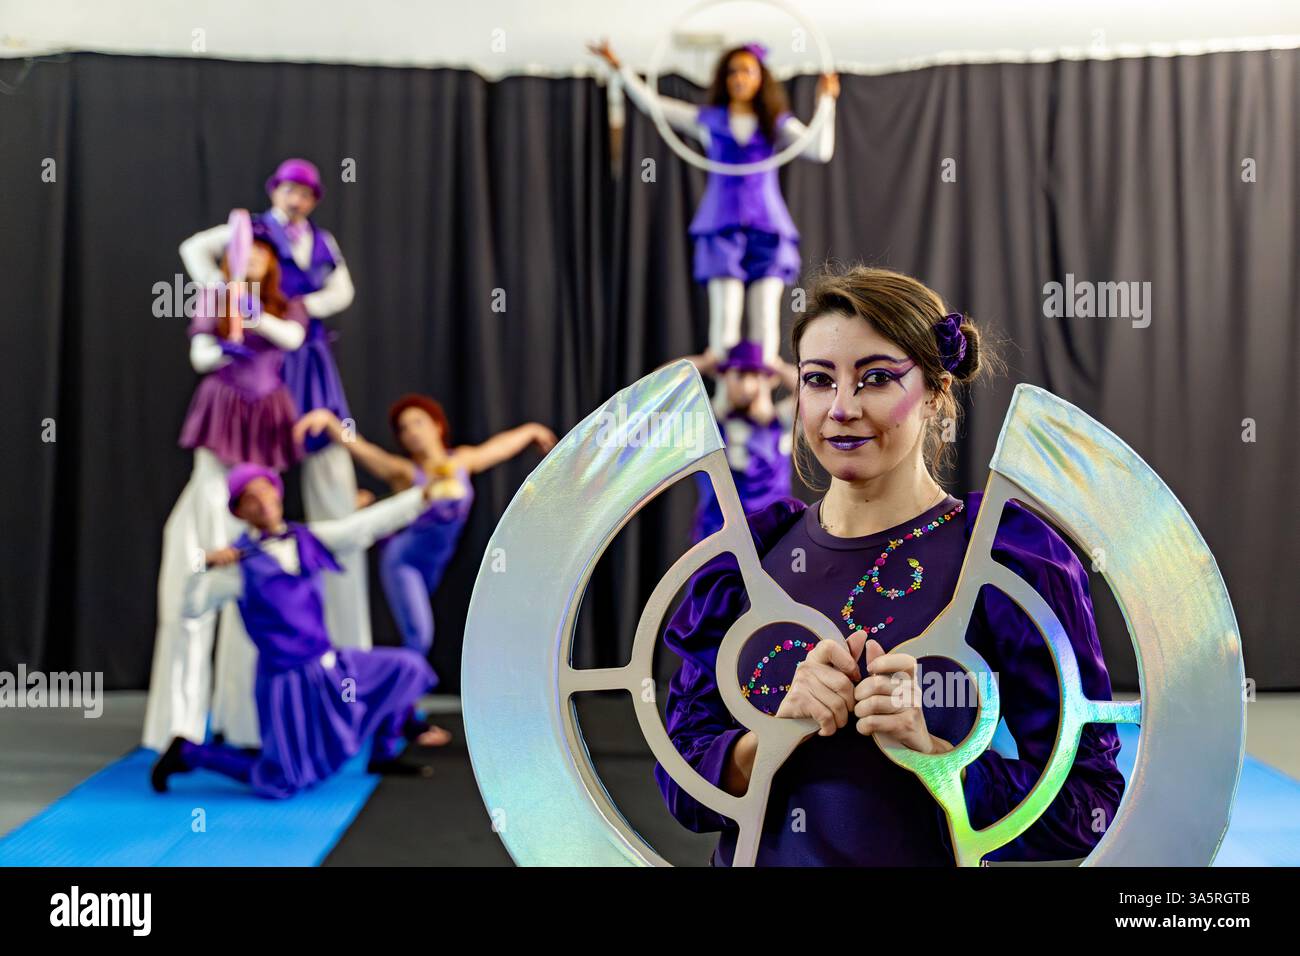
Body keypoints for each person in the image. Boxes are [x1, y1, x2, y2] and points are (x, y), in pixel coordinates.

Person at [656, 264, 1126, 866]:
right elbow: (683, 787)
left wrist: (935, 754)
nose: (842, 408)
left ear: (934, 391)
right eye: (819, 380)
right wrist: (773, 734)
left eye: (876, 378)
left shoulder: (1002, 554)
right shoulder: (750, 556)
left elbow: (1088, 802)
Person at [151, 464, 450, 798]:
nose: (262, 500)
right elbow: (190, 610)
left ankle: (382, 754)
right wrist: (202, 566)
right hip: (285, 683)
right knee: (282, 782)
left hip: (330, 666)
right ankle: (189, 753)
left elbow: (362, 526)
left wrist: (419, 498)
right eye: (250, 498)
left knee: (408, 668)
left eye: (265, 489)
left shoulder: (307, 538)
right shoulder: (238, 568)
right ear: (240, 511)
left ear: (277, 492)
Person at [179, 158, 373, 654]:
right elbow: (194, 250)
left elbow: (342, 289)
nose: (297, 199)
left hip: (306, 360)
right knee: (243, 487)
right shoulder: (250, 231)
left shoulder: (321, 243)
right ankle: (233, 634)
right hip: (257, 377)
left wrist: (303, 308)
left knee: (331, 467)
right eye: (290, 189)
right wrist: (221, 291)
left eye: (306, 192)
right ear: (275, 191)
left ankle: (346, 645)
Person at [293, 396, 558, 743]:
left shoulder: (462, 460)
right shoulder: (404, 473)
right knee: (419, 638)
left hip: (433, 568)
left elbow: (499, 447)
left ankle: (396, 718)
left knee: (417, 639)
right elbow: (361, 447)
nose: (411, 433)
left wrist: (531, 430)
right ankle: (395, 725)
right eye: (403, 429)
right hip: (403, 564)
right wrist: (330, 422)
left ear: (437, 426)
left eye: (418, 423)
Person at [142, 224, 306, 753]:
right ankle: (181, 724)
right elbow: (200, 353)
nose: (253, 255)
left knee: (256, 579)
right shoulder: (217, 292)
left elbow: (293, 338)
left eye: (262, 249)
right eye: (246, 249)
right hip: (223, 416)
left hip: (266, 417)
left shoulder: (285, 304)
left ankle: (245, 720)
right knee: (211, 516)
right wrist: (225, 345)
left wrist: (251, 315)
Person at [588, 39, 838, 365]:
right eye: (733, 71)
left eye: (747, 71)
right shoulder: (709, 120)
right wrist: (618, 67)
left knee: (764, 318)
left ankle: (759, 399)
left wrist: (826, 102)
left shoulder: (774, 123)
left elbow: (819, 150)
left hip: (767, 225)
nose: (739, 77)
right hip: (722, 224)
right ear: (724, 77)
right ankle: (724, 400)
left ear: (760, 77)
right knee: (725, 321)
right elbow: (654, 106)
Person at [684, 340, 798, 543]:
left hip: (772, 541)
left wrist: (778, 367)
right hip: (717, 540)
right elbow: (665, 388)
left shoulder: (780, 423)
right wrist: (704, 362)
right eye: (740, 375)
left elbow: (810, 393)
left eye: (755, 375)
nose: (748, 384)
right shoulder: (706, 425)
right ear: (725, 377)